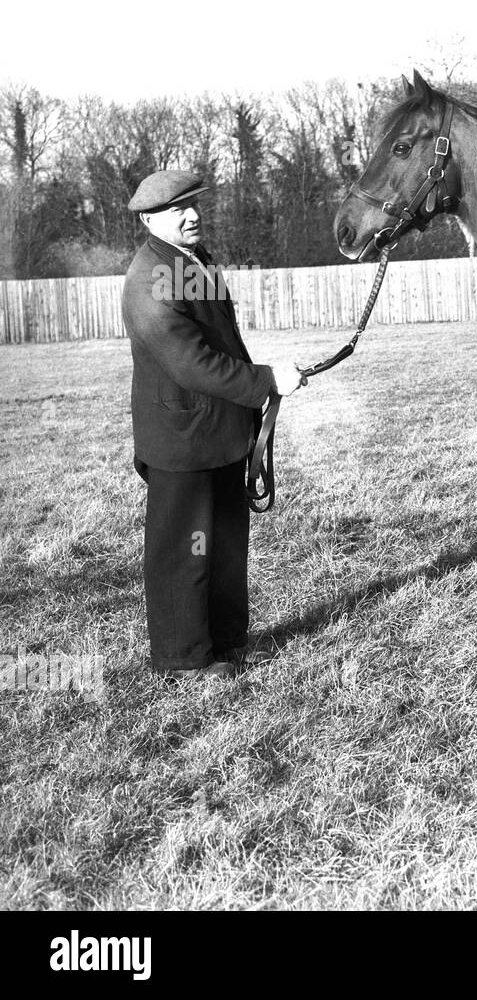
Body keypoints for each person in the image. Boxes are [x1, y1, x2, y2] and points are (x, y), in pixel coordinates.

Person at [121, 170, 301, 680]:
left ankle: (227, 642)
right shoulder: (151, 276)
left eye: (194, 204)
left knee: (222, 542)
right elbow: (192, 363)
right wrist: (266, 381)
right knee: (185, 548)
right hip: (182, 439)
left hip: (218, 431)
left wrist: (257, 389)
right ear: (151, 219)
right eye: (179, 209)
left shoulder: (190, 261)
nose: (193, 215)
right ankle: (183, 659)